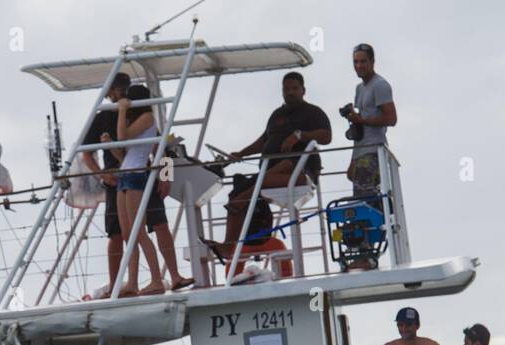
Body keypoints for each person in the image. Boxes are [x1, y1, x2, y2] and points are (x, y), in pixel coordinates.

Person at [81, 73, 190, 297]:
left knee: (159, 225)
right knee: (118, 234)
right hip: (118, 177)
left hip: (143, 175)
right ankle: (122, 283)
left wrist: (166, 177)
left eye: (113, 91)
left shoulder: (138, 114)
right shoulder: (104, 117)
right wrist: (102, 175)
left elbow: (163, 150)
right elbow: (86, 154)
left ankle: (174, 275)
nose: (111, 95)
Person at [207, 73, 332, 260]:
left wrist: (299, 136)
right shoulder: (277, 115)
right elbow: (264, 141)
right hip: (270, 172)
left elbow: (326, 136)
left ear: (303, 90)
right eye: (286, 89)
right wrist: (241, 153)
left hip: (300, 171)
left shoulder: (313, 112)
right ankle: (229, 245)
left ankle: (242, 199)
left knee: (278, 169)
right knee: (238, 191)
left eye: (294, 88)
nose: (290, 92)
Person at [344, 43, 396, 202]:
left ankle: (383, 211)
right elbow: (359, 125)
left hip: (374, 150)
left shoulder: (380, 85)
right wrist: (353, 159)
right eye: (355, 62)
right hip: (362, 149)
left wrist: (362, 119)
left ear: (372, 62)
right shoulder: (359, 88)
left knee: (364, 201)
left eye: (363, 61)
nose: (359, 66)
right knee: (361, 199)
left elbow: (391, 118)